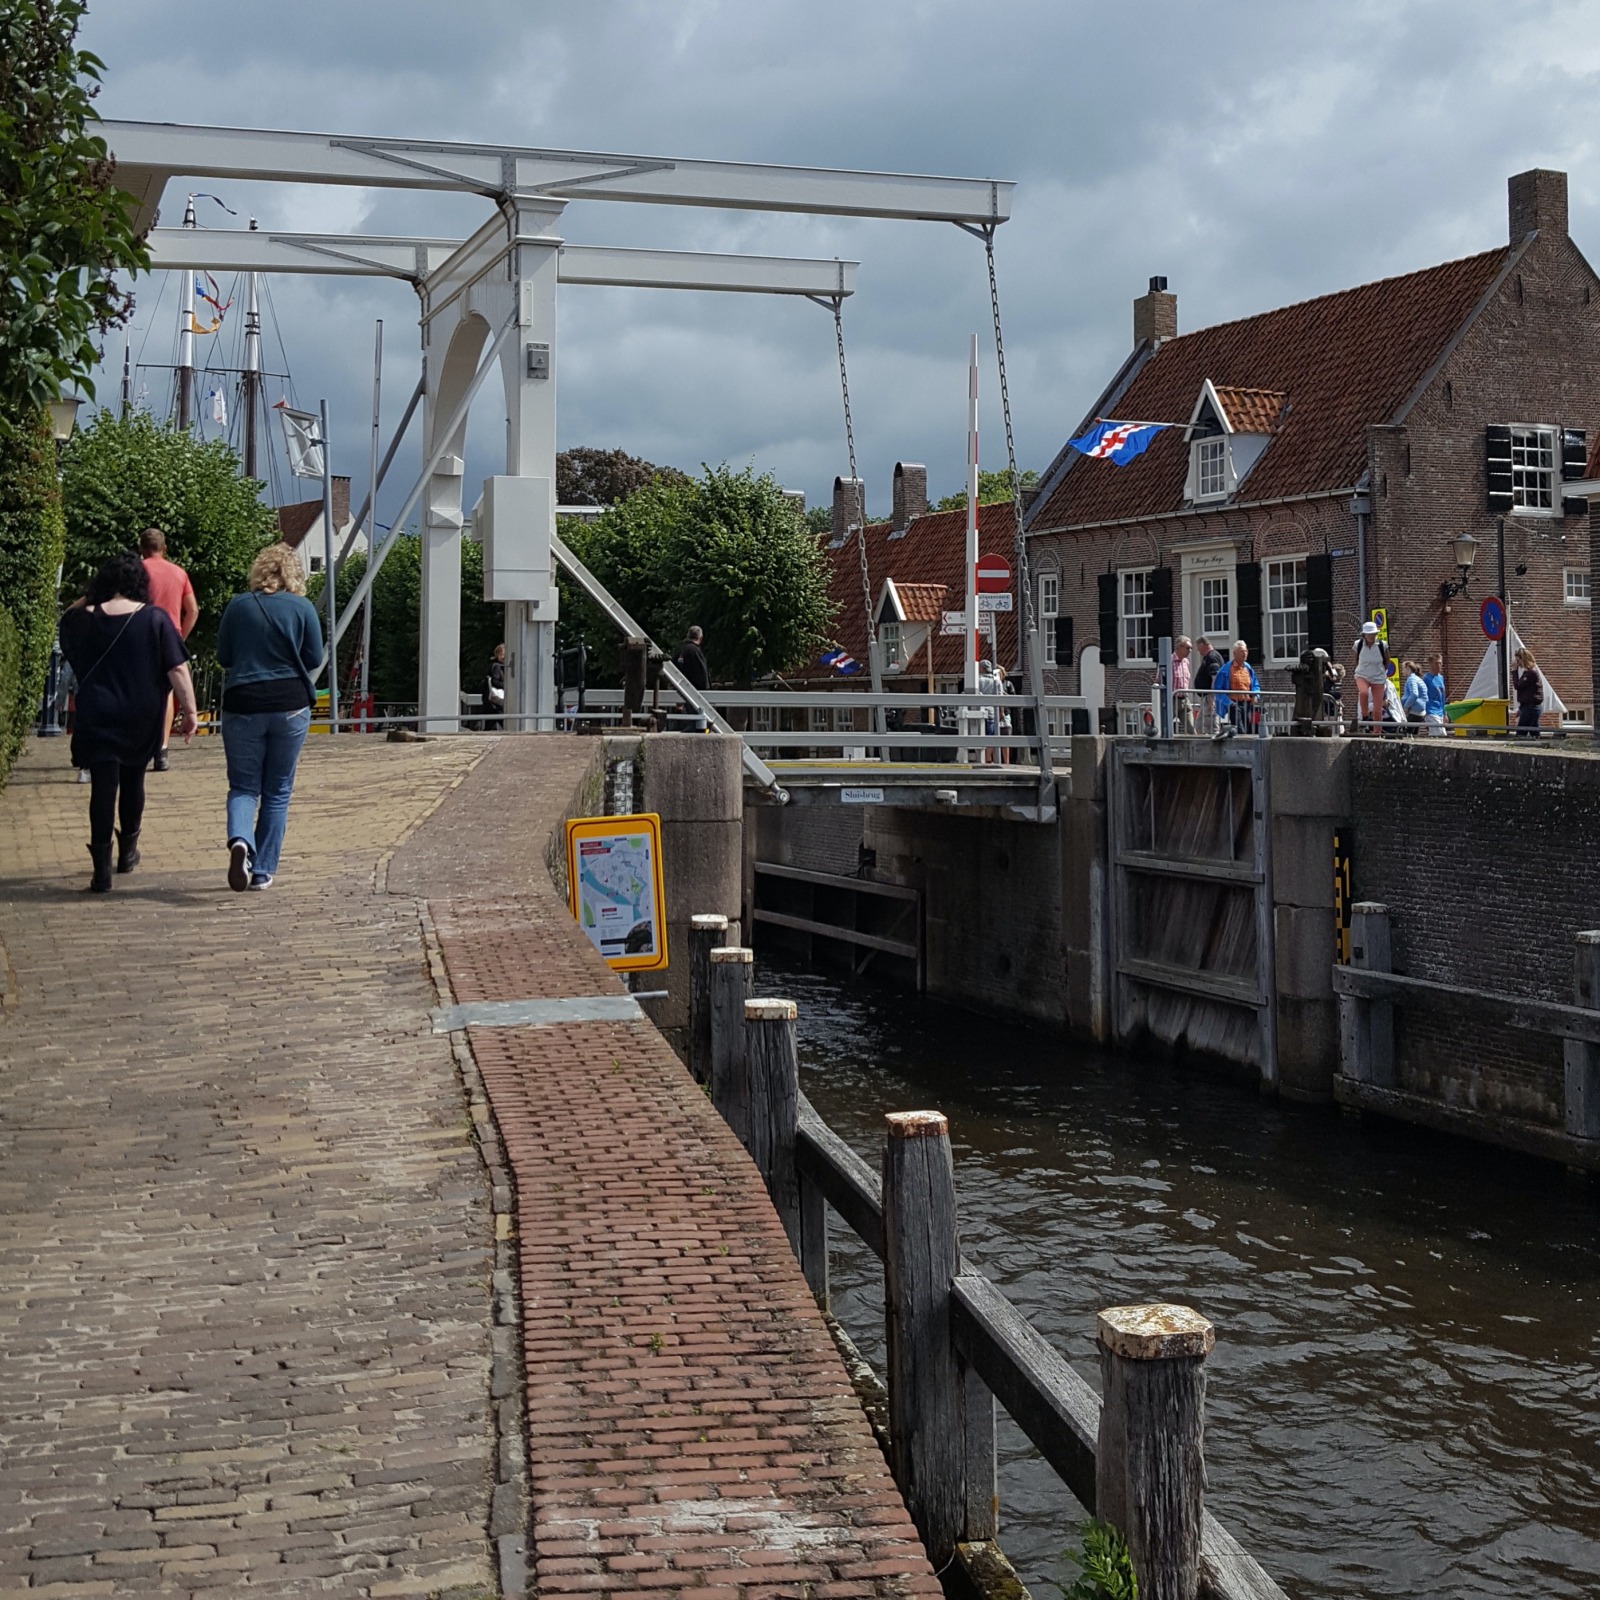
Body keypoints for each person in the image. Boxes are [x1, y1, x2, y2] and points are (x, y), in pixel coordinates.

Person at [58, 552, 198, 892]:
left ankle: (101, 871)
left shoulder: (85, 618)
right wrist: (190, 712)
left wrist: (93, 596)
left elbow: (67, 617)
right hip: (140, 715)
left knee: (102, 789)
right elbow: (177, 667)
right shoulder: (155, 620)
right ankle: (128, 851)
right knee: (134, 781)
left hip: (98, 713)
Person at [215, 543, 324, 892]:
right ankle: (261, 871)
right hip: (290, 704)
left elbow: (224, 656)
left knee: (244, 787)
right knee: (277, 790)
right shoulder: (303, 607)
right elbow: (313, 657)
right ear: (294, 573)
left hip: (243, 702)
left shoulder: (238, 605)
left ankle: (240, 842)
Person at [139, 528, 198, 771]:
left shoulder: (137, 571)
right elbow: (193, 610)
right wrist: (179, 637)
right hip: (169, 636)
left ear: (141, 548)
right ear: (164, 548)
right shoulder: (179, 573)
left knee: (138, 692)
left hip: (139, 635)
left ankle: (139, 745)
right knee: (166, 695)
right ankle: (161, 750)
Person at [1212, 639, 1259, 740]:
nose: (1245, 654)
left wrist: (1255, 695)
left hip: (1246, 702)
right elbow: (1218, 689)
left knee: (1247, 726)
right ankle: (1241, 743)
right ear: (1234, 653)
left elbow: (1255, 683)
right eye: (1242, 651)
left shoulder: (1248, 668)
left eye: (1246, 651)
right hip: (1233, 703)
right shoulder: (1225, 670)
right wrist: (1228, 703)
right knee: (1239, 728)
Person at [1352, 621, 1390, 730]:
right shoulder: (1357, 645)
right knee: (1363, 692)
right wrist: (1359, 670)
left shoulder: (1382, 645)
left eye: (1373, 634)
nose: (1371, 636)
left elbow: (1387, 661)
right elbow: (1355, 660)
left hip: (1378, 677)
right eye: (1369, 634)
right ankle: (1364, 715)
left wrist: (1381, 671)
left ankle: (1376, 733)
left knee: (1377, 709)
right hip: (1362, 675)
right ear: (1364, 635)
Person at [1193, 635, 1224, 734]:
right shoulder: (1211, 656)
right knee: (1199, 724)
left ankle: (1213, 739)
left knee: (1210, 720)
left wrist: (1212, 696)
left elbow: (1214, 676)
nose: (1198, 651)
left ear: (1202, 644)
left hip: (1209, 695)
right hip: (1206, 696)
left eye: (1198, 648)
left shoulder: (1212, 657)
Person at [1511, 646, 1544, 735]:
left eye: (1519, 661)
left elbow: (1518, 686)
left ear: (1524, 659)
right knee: (1533, 730)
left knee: (1522, 732)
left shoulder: (1530, 673)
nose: (1518, 664)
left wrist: (1514, 671)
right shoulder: (1530, 672)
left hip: (1531, 707)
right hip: (1528, 706)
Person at [1171, 635, 1194, 732]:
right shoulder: (1169, 661)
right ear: (1180, 647)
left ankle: (1195, 746)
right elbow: (1159, 680)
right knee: (1163, 727)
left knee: (1191, 730)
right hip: (1172, 700)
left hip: (1185, 700)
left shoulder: (1186, 662)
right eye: (1188, 648)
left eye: (1191, 648)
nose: (1190, 651)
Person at [1423, 653, 1447, 736]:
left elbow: (1443, 697)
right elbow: (1423, 696)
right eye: (1436, 663)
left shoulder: (1441, 678)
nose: (1439, 666)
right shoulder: (1426, 678)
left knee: (1443, 735)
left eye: (1440, 663)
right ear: (1431, 664)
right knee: (1438, 734)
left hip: (1440, 712)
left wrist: (1445, 714)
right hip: (1431, 711)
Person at [1401, 659, 1428, 727]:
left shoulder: (1411, 679)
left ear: (1408, 669)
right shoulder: (1417, 679)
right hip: (1420, 710)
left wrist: (1406, 707)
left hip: (1414, 710)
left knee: (1407, 732)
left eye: (1403, 668)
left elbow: (1414, 694)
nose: (1402, 671)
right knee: (1413, 733)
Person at [485, 643, 507, 726]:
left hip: (490, 700)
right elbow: (495, 682)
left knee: (491, 723)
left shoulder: (492, 665)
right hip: (495, 700)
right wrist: (506, 686)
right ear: (497, 654)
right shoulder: (497, 666)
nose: (503, 657)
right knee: (500, 720)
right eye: (501, 655)